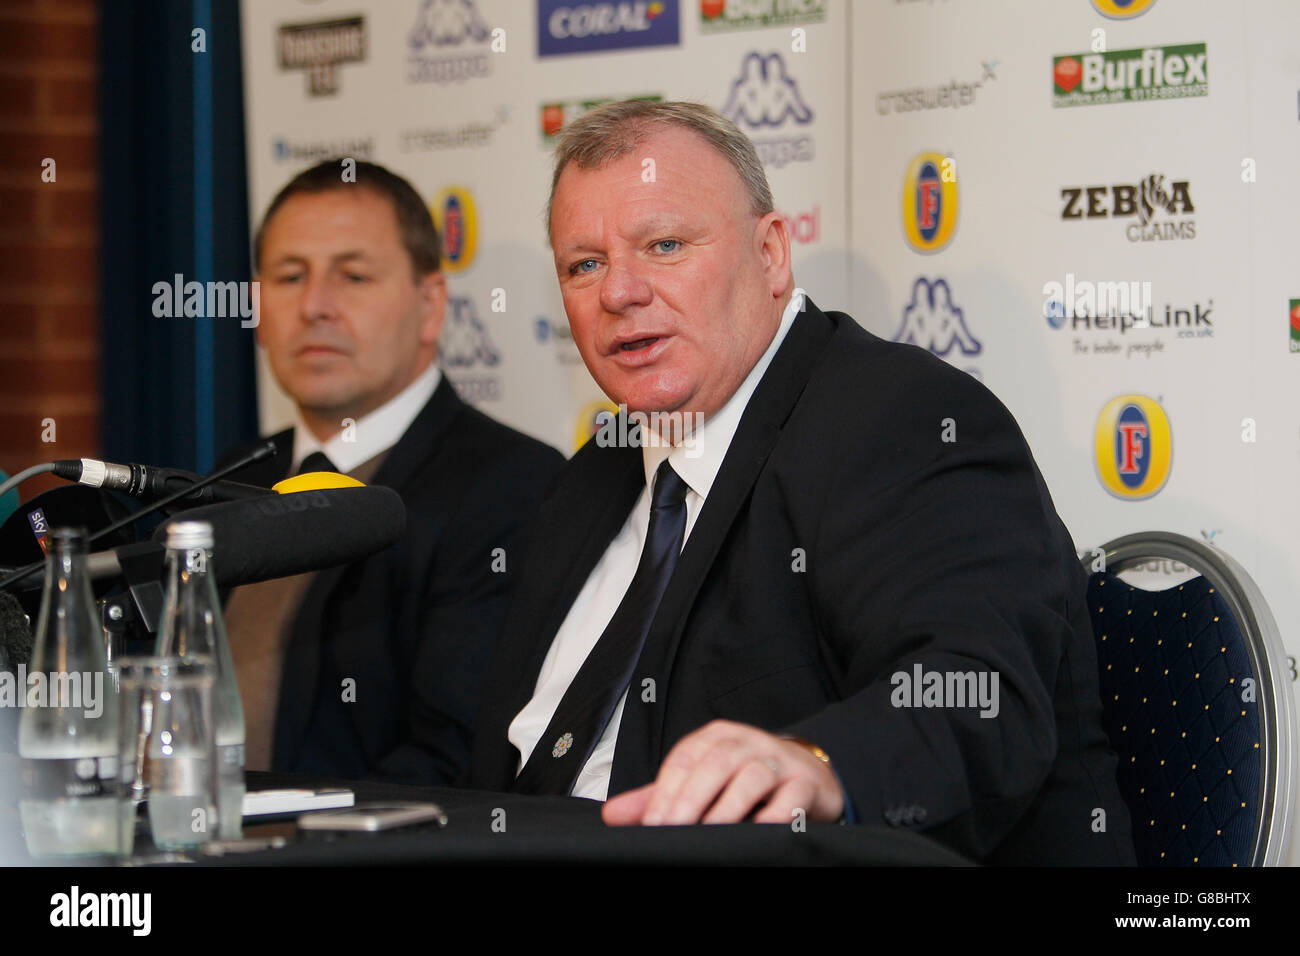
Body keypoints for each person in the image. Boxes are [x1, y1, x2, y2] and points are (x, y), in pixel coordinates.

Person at [465, 101, 1135, 865]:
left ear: (772, 253)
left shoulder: (901, 421)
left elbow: (977, 695)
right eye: (584, 264)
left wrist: (818, 764)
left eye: (665, 244)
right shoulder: (593, 476)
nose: (618, 292)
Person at [220, 160, 563, 784]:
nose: (315, 306)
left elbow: (455, 754)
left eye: (352, 276)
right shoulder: (231, 476)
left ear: (431, 305)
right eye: (290, 276)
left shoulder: (511, 485)